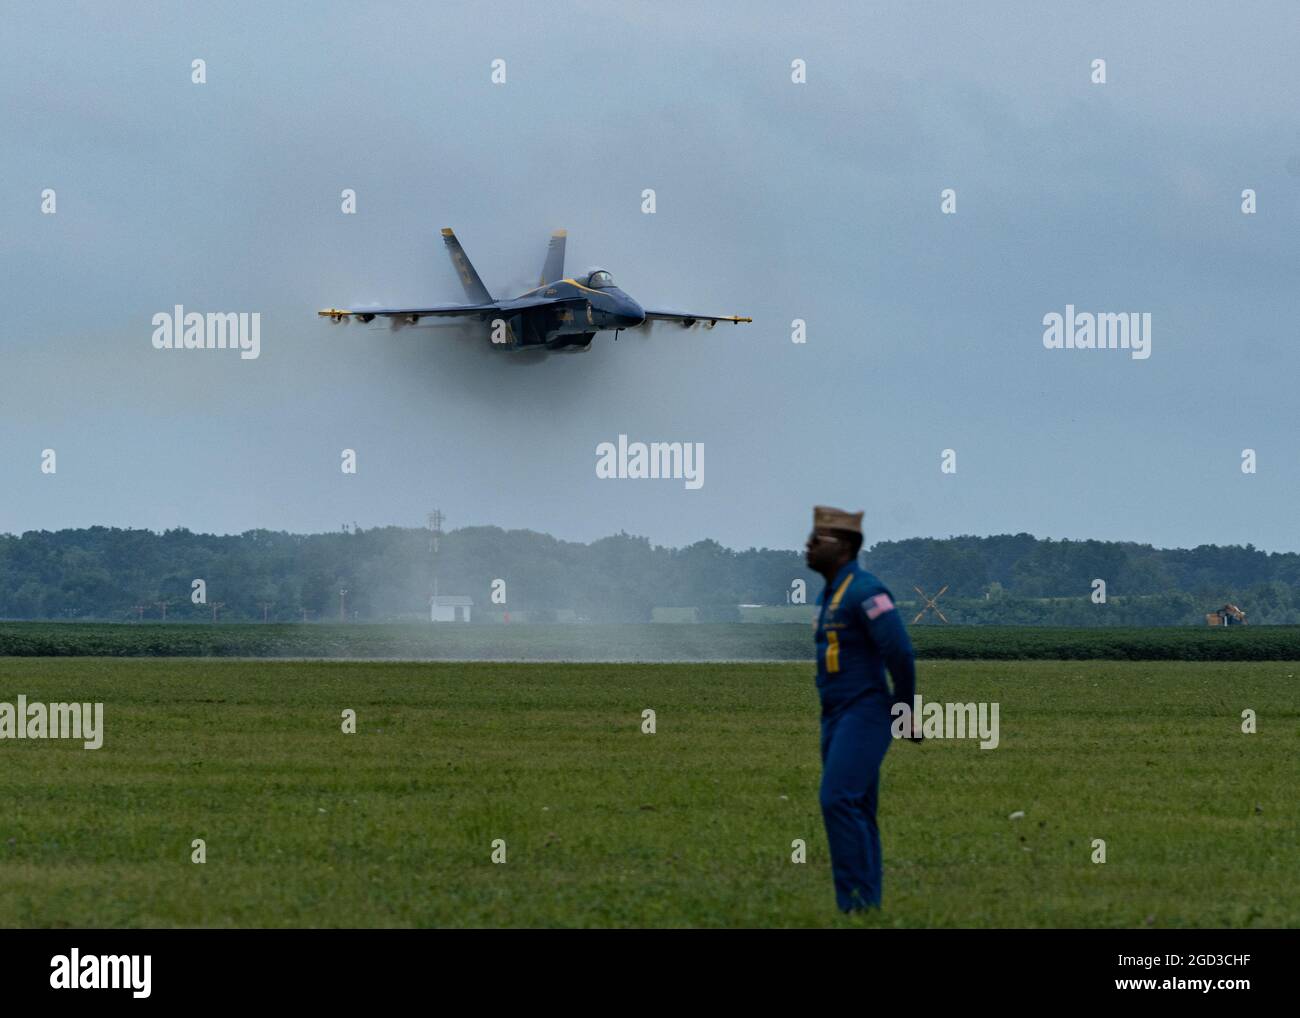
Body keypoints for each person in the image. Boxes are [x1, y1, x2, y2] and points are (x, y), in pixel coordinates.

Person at [804, 505, 920, 912]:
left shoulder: (866, 591)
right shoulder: (830, 592)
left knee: (837, 799)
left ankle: (854, 904)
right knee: (858, 806)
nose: (808, 544)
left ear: (844, 547)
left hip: (865, 711)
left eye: (818, 539)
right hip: (835, 713)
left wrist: (903, 710)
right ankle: (866, 908)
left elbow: (899, 651)